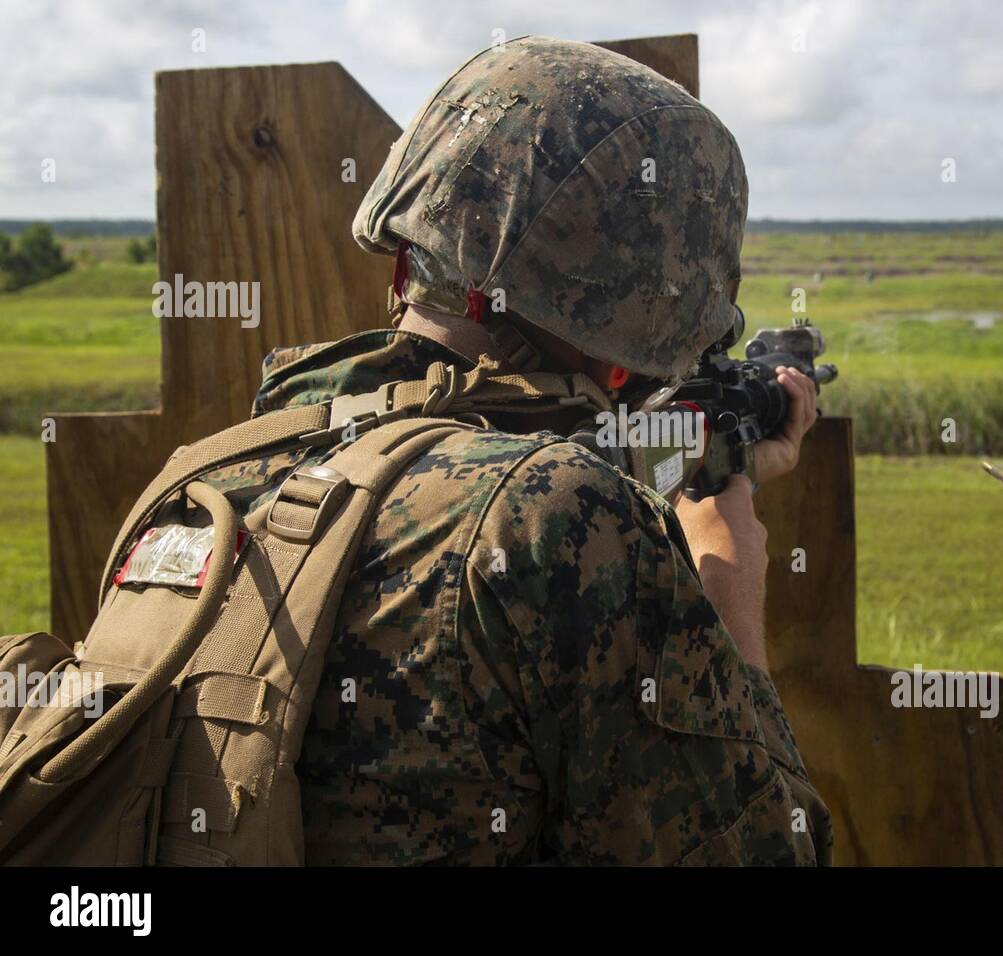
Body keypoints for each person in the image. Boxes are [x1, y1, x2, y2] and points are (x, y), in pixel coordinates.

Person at [211, 35, 832, 865]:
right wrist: (727, 567)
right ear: (633, 342)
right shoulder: (561, 518)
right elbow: (769, 851)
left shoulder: (222, 471)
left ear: (403, 264)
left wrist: (703, 455)